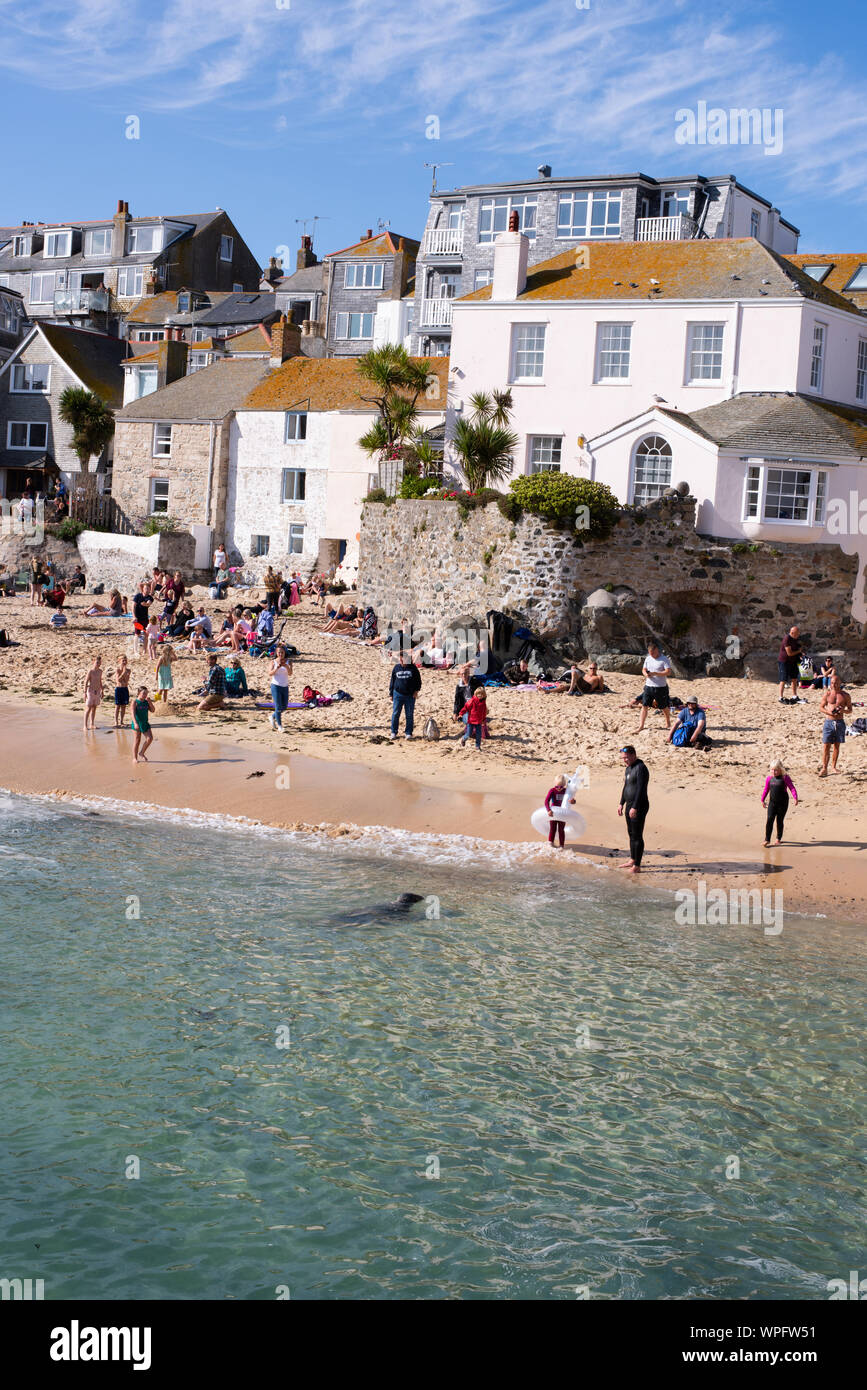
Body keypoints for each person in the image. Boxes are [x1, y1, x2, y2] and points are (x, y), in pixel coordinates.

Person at [618, 745, 650, 874]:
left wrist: (635, 807)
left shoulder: (641, 768)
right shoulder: (628, 769)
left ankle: (637, 865)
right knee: (631, 834)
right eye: (623, 758)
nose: (624, 760)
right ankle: (632, 859)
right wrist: (621, 803)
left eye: (626, 757)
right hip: (629, 805)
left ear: (633, 755)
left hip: (639, 805)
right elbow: (626, 787)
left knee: (637, 835)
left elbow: (641, 789)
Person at [633, 641, 672, 732]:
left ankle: (668, 722)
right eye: (650, 653)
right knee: (644, 705)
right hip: (648, 686)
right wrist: (645, 674)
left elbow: (668, 672)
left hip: (661, 687)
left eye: (653, 653)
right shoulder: (648, 658)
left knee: (663, 706)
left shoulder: (664, 659)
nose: (652, 655)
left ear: (657, 650)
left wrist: (656, 673)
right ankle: (641, 725)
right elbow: (643, 669)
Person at [819, 680, 852, 777]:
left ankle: (833, 767)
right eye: (832, 683)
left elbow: (850, 710)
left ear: (840, 683)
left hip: (840, 722)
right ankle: (824, 768)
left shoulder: (845, 695)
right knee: (826, 746)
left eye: (836, 683)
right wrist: (829, 712)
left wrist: (843, 711)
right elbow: (821, 707)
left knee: (837, 746)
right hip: (829, 722)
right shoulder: (828, 694)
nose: (834, 684)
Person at [761, 762, 798, 846]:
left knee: (779, 820)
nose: (773, 772)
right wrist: (762, 800)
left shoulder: (785, 778)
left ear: (780, 770)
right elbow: (766, 790)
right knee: (770, 819)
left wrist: (795, 797)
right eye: (772, 770)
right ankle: (767, 839)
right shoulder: (769, 778)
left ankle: (778, 838)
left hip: (783, 803)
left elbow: (792, 788)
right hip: (772, 803)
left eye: (776, 770)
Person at [389, 651, 422, 740]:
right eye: (400, 660)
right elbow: (392, 681)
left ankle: (408, 733)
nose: (401, 661)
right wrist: (391, 694)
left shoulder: (413, 668)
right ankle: (393, 732)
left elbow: (418, 681)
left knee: (409, 714)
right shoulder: (396, 668)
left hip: (410, 696)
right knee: (396, 713)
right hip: (397, 694)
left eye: (403, 660)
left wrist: (416, 691)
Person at [545, 773, 576, 849]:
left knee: (561, 830)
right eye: (557, 786)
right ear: (554, 784)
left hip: (563, 813)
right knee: (553, 828)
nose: (559, 788)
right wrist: (548, 810)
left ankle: (561, 845)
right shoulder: (552, 791)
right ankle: (550, 843)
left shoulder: (566, 791)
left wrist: (573, 801)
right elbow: (546, 801)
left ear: (564, 785)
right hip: (554, 813)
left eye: (561, 786)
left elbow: (573, 800)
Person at [267, 645, 292, 730]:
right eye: (279, 652)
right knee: (278, 707)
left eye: (282, 652)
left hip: (285, 686)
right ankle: (280, 726)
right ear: (276, 653)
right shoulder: (273, 662)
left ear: (285, 652)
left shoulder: (289, 661)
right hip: (275, 685)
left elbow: (290, 673)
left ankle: (272, 716)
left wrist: (286, 666)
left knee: (284, 707)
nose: (280, 654)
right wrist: (276, 668)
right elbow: (270, 673)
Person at [778, 626, 804, 704]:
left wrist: (800, 654)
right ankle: (780, 697)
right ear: (792, 632)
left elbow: (795, 650)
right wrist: (799, 651)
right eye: (797, 634)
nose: (798, 635)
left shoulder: (794, 639)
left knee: (794, 678)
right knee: (783, 679)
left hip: (793, 661)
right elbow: (789, 653)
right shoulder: (787, 639)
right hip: (784, 661)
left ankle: (794, 696)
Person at [458, 686, 488, 751]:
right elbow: (466, 707)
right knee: (469, 733)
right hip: (471, 721)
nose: (480, 695)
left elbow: (484, 712)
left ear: (484, 695)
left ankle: (477, 746)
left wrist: (483, 720)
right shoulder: (472, 701)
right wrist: (461, 713)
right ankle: (463, 739)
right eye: (478, 694)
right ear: (476, 694)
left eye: (481, 694)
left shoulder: (483, 703)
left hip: (479, 721)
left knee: (478, 734)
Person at [132, 687, 155, 763]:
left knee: (150, 738)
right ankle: (134, 758)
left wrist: (150, 702)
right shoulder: (135, 702)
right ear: (139, 693)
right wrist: (135, 723)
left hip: (145, 723)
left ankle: (141, 752)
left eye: (146, 693)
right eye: (143, 693)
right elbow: (132, 714)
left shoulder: (146, 702)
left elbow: (153, 710)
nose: (145, 695)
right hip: (137, 723)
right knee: (137, 740)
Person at [83, 654, 103, 732]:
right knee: (88, 708)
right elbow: (86, 682)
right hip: (90, 691)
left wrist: (102, 690)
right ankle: (85, 725)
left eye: (99, 662)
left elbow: (100, 681)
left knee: (94, 707)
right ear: (93, 662)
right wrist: (84, 693)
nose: (98, 664)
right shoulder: (90, 671)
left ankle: (92, 724)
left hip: (97, 691)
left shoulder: (100, 671)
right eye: (97, 662)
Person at [111, 654, 131, 727]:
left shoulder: (128, 670)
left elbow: (126, 681)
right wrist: (123, 673)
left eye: (125, 660)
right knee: (117, 706)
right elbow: (118, 680)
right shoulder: (118, 669)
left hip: (125, 688)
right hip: (119, 689)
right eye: (123, 660)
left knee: (123, 706)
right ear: (119, 661)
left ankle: (122, 721)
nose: (124, 662)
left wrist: (125, 673)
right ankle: (116, 721)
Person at [132, 582, 154, 648]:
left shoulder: (150, 597)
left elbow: (149, 603)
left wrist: (146, 604)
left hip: (145, 618)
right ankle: (135, 650)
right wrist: (134, 616)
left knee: (146, 634)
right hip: (137, 618)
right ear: (143, 589)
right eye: (145, 588)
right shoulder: (138, 596)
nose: (146, 590)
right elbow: (133, 606)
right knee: (137, 634)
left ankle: (144, 650)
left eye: (148, 589)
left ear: (150, 590)